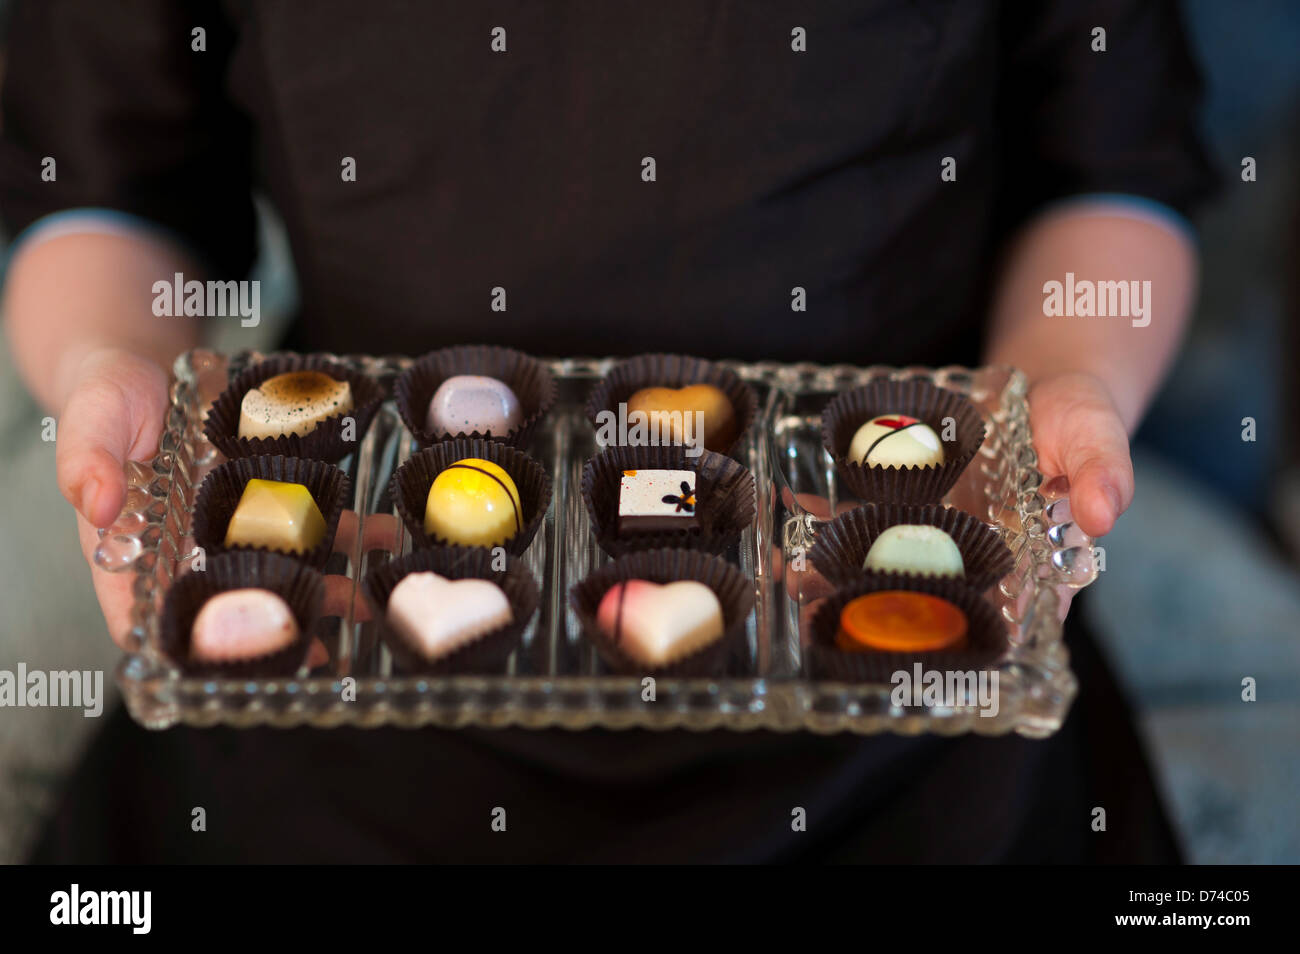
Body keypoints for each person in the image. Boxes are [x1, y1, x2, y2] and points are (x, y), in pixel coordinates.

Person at [1, 1, 1215, 862]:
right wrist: (111, 366)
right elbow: (108, 193)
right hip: (338, 657)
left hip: (911, 702)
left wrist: (1064, 380)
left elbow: (1105, 173)